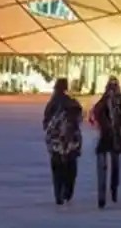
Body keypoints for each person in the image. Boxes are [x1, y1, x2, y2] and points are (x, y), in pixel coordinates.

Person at [89, 76, 121, 208]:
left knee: (112, 167)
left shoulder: (118, 101)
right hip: (109, 138)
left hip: (113, 139)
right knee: (106, 168)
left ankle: (111, 191)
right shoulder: (107, 101)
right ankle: (106, 194)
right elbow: (94, 115)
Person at [43, 78, 83, 206]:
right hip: (70, 141)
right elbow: (79, 118)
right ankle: (67, 192)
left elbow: (46, 123)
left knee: (57, 169)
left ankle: (59, 193)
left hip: (56, 142)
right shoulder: (72, 102)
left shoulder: (52, 103)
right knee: (70, 169)